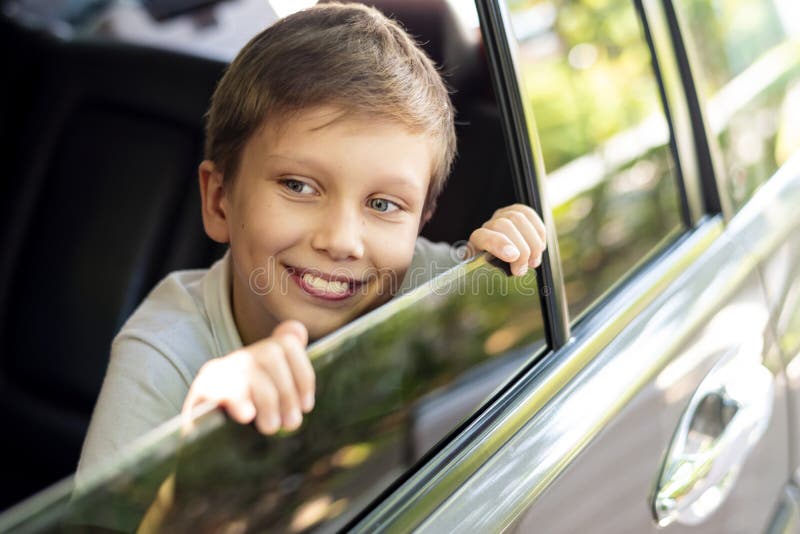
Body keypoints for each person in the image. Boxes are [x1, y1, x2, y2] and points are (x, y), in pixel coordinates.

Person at [78, 2, 546, 472]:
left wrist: (508, 261)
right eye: (298, 186)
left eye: (383, 205)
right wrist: (192, 455)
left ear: (421, 221)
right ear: (219, 201)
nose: (341, 240)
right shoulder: (167, 350)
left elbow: (509, 330)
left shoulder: (431, 284)